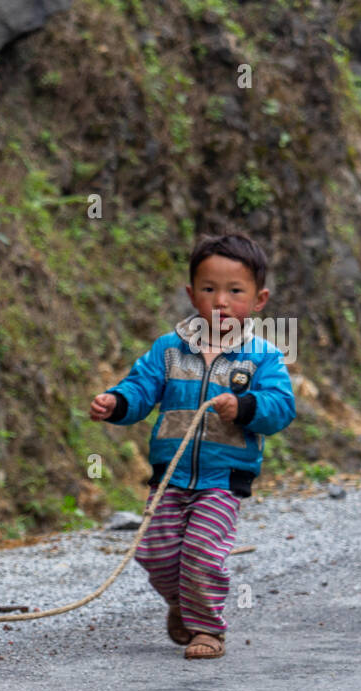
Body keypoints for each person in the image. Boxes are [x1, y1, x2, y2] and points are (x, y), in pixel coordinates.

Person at [89, 234, 296, 659]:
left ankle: (208, 630)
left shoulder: (263, 357)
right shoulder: (168, 349)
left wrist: (244, 405)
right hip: (170, 475)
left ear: (259, 300)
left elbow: (281, 408)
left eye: (235, 292)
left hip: (223, 478)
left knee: (201, 553)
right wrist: (117, 402)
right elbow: (141, 388)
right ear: (191, 294)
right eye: (208, 289)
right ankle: (182, 604)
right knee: (154, 553)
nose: (220, 301)